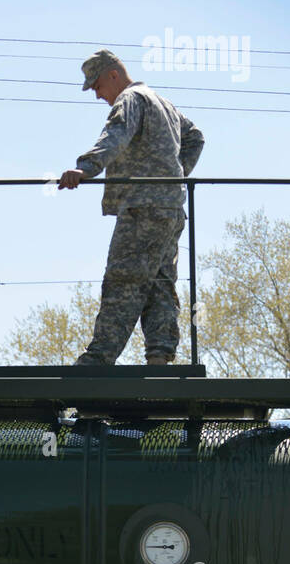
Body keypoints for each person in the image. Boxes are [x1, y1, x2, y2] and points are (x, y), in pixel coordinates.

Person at [58, 48, 205, 365]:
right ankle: (160, 356)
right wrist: (173, 178)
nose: (98, 95)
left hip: (143, 208)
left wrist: (86, 168)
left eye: (97, 86)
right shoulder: (161, 102)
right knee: (159, 283)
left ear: (114, 74)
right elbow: (195, 137)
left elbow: (116, 133)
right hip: (171, 209)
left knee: (123, 279)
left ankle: (99, 358)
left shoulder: (131, 99)